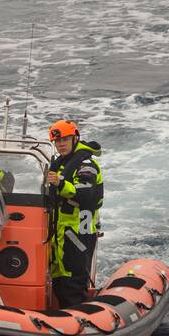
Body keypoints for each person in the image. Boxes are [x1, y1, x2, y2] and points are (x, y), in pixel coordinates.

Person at [45, 119, 103, 308]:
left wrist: (60, 184)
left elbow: (85, 192)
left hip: (78, 231)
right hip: (59, 231)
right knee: (59, 280)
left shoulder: (87, 164)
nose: (61, 144)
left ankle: (76, 320)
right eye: (57, 141)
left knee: (73, 279)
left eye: (65, 140)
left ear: (75, 138)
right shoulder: (60, 163)